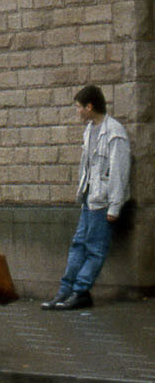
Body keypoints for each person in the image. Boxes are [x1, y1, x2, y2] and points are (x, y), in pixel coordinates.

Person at [42, 84, 131, 311]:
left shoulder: (114, 133)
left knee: (95, 249)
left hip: (103, 203)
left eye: (79, 107)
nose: (77, 112)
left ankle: (80, 292)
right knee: (78, 245)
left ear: (89, 107)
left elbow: (119, 171)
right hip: (89, 200)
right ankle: (65, 291)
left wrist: (115, 207)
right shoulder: (90, 130)